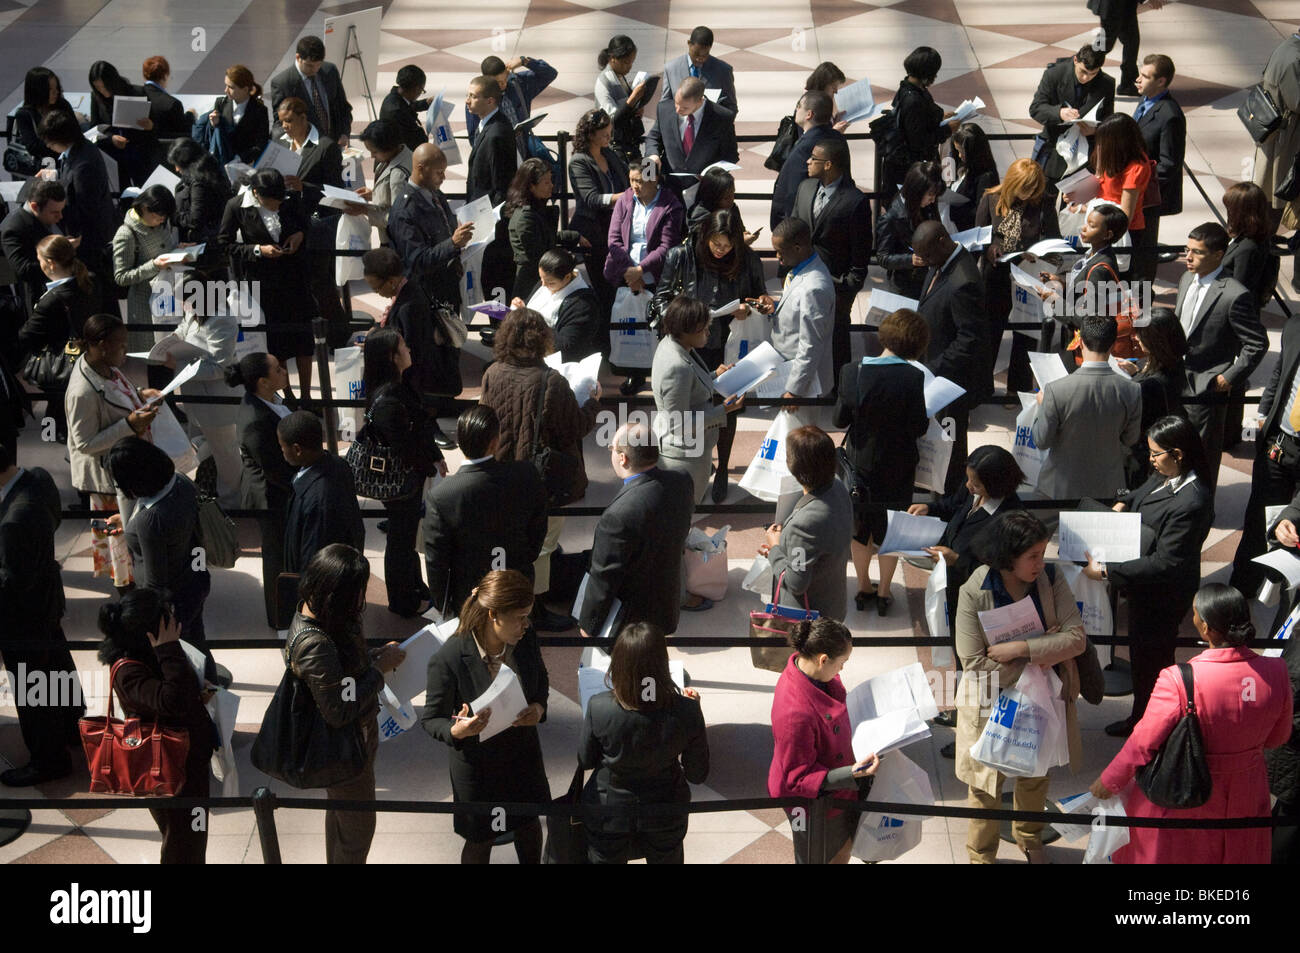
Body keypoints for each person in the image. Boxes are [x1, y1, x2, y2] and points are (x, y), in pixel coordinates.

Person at [1090, 583, 1292, 863]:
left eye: (1195, 613)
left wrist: (1110, 780)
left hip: (1189, 789)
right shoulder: (1276, 671)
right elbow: (1278, 737)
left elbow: (1142, 743)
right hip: (1248, 788)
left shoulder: (1178, 679)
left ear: (1206, 628)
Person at [954, 510, 1087, 863]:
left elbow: (1076, 640)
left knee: (1036, 774)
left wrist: (1020, 649)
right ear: (1007, 557)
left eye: (1043, 553)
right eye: (1033, 556)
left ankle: (1030, 838)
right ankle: (980, 855)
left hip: (1045, 698)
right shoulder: (975, 591)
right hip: (990, 702)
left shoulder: (1052, 579)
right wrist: (1045, 650)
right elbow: (974, 665)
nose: (1041, 563)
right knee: (985, 785)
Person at [1079, 415, 1214, 735]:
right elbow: (1139, 493)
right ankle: (1145, 718)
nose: (1151, 460)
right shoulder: (1165, 474)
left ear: (1178, 454)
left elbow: (1166, 562)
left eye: (1156, 454)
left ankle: (1151, 724)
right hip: (1145, 586)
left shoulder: (1192, 501)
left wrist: (1106, 571)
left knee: (1152, 662)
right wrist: (1122, 504)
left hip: (1161, 596)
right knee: (1143, 659)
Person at [480, 308, 601, 630]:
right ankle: (536, 608)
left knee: (517, 539)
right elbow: (573, 428)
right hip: (542, 479)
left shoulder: (492, 372)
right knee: (543, 544)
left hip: (503, 470)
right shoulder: (552, 381)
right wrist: (592, 402)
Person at [422, 569, 550, 864]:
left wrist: (539, 708)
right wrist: (458, 731)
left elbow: (540, 681)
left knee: (529, 828)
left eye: (527, 615)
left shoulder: (526, 640)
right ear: (493, 615)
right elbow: (431, 720)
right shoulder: (450, 657)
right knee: (481, 840)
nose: (526, 624)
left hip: (522, 757)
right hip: (479, 768)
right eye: (520, 617)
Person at [288, 544, 404, 862]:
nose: (361, 602)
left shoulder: (325, 617)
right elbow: (339, 709)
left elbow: (341, 673)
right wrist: (379, 669)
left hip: (351, 744)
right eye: (357, 593)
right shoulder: (314, 643)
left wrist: (372, 659)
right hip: (343, 751)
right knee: (356, 833)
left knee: (341, 822)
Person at [94, 589, 217, 860]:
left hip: (187, 760)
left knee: (192, 839)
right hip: (167, 768)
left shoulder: (153, 655)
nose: (175, 622)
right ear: (152, 631)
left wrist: (198, 688)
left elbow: (177, 693)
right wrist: (169, 650)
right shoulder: (129, 670)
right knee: (182, 843)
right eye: (168, 618)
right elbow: (171, 701)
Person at [909, 445, 1026, 728]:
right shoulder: (975, 492)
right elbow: (954, 506)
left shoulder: (1010, 518)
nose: (968, 486)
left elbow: (1003, 571)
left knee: (977, 663)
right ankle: (965, 708)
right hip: (957, 592)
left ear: (995, 484)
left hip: (984, 604)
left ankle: (973, 723)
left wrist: (956, 560)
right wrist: (931, 507)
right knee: (961, 656)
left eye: (975, 482)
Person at [654, 209, 766, 501]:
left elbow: (759, 294)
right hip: (692, 341)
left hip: (726, 343)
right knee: (700, 409)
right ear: (705, 237)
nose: (721, 250)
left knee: (730, 411)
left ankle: (724, 467)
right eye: (716, 244)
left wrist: (756, 305)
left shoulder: (748, 259)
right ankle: (698, 469)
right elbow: (660, 300)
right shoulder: (683, 255)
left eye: (727, 246)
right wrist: (689, 320)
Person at [579, 621, 709, 864]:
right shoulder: (687, 710)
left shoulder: (599, 706)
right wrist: (694, 713)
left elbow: (585, 760)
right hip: (665, 811)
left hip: (610, 810)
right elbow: (697, 773)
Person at [834, 309, 930, 617]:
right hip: (899, 466)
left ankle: (863, 587)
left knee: (860, 531)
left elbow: (839, 419)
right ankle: (886, 591)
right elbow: (919, 427)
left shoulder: (852, 371)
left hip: (860, 464)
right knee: (891, 530)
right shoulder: (914, 377)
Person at [0, 440, 84, 787]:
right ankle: (71, 728)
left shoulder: (14, 520)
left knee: (33, 687)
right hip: (48, 600)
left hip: (23, 618)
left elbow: (11, 585)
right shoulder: (38, 478)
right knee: (57, 666)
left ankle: (49, 760)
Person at [768, 617, 880, 864]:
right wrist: (852, 773)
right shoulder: (794, 713)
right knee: (815, 855)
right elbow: (797, 778)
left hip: (835, 793)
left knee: (842, 847)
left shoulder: (815, 674)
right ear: (823, 659)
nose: (842, 670)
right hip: (812, 804)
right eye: (842, 663)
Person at [65, 314, 160, 589]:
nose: (125, 350)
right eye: (121, 345)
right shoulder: (82, 391)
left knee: (131, 547)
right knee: (123, 554)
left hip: (129, 470)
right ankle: (131, 603)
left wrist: (141, 394)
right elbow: (83, 443)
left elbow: (120, 390)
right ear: (103, 345)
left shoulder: (107, 367)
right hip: (110, 481)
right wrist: (129, 425)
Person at [423, 406, 548, 616]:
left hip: (470, 599)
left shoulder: (443, 496)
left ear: (460, 442)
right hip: (517, 586)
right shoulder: (526, 475)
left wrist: (444, 607)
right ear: (494, 441)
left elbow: (437, 562)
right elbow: (537, 532)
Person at [578, 421, 695, 638]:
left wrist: (589, 624)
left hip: (629, 624)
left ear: (623, 458)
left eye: (612, 449)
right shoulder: (682, 482)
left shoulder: (617, 515)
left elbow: (604, 578)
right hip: (665, 607)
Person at [361, 328, 447, 616]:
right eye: (403, 346)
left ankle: (414, 588)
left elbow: (420, 428)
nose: (409, 349)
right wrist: (429, 465)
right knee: (401, 539)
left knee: (405, 537)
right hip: (400, 481)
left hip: (409, 477)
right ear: (391, 356)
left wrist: (434, 457)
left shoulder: (398, 386)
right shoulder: (388, 399)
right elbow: (405, 446)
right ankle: (402, 600)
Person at [1175, 222, 1267, 489]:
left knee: (1201, 454)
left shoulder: (1235, 294)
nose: (1188, 257)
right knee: (1174, 449)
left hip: (1207, 388)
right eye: (1187, 250)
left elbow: (1256, 343)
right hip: (1177, 379)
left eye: (1197, 252)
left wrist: (1228, 378)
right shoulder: (1184, 279)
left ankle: (1201, 509)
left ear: (1218, 255)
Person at [108, 437, 212, 668]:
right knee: (199, 651)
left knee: (182, 666)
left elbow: (156, 584)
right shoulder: (182, 483)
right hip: (194, 582)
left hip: (171, 605)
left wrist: (145, 621)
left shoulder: (150, 520)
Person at [217, 169, 314, 400]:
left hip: (295, 279)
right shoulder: (236, 207)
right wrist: (258, 250)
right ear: (256, 194)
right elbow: (224, 244)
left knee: (303, 340)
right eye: (271, 204)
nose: (276, 208)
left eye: (279, 203)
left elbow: (306, 223)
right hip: (263, 284)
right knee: (276, 342)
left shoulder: (289, 200)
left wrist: (299, 234)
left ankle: (308, 396)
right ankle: (286, 393)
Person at [1031, 314, 1142, 501]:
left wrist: (1041, 408)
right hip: (1108, 487)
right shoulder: (1132, 390)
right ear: (1113, 344)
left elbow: (1042, 440)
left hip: (1059, 487)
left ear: (1080, 342)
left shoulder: (1056, 390)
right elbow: (1130, 439)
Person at [651, 296, 744, 513]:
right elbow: (678, 425)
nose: (708, 334)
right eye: (704, 330)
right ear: (688, 330)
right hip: (685, 457)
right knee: (683, 516)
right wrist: (725, 410)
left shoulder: (672, 344)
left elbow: (691, 385)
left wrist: (713, 375)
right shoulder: (677, 366)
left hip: (686, 451)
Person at [1232, 300, 1300, 597]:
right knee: (1259, 522)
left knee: (1293, 527)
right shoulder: (1295, 326)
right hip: (1280, 445)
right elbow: (1279, 376)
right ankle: (1241, 591)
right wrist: (1262, 415)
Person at [914, 220, 988, 491]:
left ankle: (951, 494)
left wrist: (933, 370)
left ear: (943, 242)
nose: (925, 262)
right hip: (934, 369)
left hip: (949, 381)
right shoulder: (940, 263)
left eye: (928, 255)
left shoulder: (963, 281)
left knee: (950, 444)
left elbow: (969, 338)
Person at [361, 246, 460, 448]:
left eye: (376, 288)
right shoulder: (407, 290)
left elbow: (412, 348)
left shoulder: (409, 305)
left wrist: (380, 342)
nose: (376, 293)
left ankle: (430, 429)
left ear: (391, 281)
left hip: (415, 376)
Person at [975, 158, 1060, 392]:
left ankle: (1017, 388)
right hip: (997, 274)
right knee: (991, 331)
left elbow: (1054, 239)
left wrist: (1039, 252)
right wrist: (992, 248)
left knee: (1025, 333)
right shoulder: (991, 198)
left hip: (1027, 275)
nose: (1028, 193)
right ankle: (982, 387)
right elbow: (980, 237)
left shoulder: (1043, 203)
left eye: (1032, 189)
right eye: (1023, 188)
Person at [275, 94, 351, 350]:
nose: (284, 126)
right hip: (288, 220)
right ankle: (309, 333)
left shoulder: (325, 147)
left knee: (321, 282)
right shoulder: (280, 142)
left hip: (318, 223)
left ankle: (337, 335)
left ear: (303, 118)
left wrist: (303, 186)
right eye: (281, 121)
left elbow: (335, 189)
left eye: (288, 121)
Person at [792, 135, 871, 379]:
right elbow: (794, 226)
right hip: (802, 281)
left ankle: (839, 387)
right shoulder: (805, 188)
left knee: (836, 338)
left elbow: (861, 252)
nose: (807, 162)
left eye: (814, 159)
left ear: (828, 164)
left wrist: (848, 288)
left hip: (836, 288)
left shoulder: (855, 202)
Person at [757, 425, 853, 622]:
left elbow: (796, 583)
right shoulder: (838, 486)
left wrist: (775, 547)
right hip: (833, 604)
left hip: (806, 621)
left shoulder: (804, 525)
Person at [604, 160, 685, 393]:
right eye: (631, 180)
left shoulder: (670, 205)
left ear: (655, 179)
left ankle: (660, 374)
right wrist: (631, 272)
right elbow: (614, 241)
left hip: (654, 274)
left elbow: (666, 246)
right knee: (629, 323)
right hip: (624, 271)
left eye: (640, 181)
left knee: (657, 326)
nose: (634, 186)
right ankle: (633, 373)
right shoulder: (626, 200)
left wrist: (641, 270)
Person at [227, 352, 295, 628]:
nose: (284, 371)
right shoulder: (256, 420)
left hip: (281, 491)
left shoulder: (273, 399)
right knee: (275, 558)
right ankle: (278, 616)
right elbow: (274, 469)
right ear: (264, 382)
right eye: (279, 369)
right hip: (270, 497)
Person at [173, 270, 243, 508]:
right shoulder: (194, 314)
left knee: (226, 454)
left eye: (186, 299)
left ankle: (233, 501)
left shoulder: (221, 319)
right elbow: (180, 335)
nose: (183, 305)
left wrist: (179, 366)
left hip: (217, 403)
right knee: (205, 446)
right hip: (196, 400)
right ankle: (211, 488)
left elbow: (219, 367)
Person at [19, 234, 100, 440]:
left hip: (59, 368)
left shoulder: (53, 299)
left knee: (56, 414)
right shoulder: (87, 283)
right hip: (86, 362)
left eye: (39, 260)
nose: (39, 265)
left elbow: (27, 335)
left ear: (50, 263)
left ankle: (52, 438)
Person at [388, 143, 474, 315]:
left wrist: (456, 255)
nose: (443, 177)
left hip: (447, 288)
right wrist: (453, 244)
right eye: (439, 172)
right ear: (421, 168)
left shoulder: (434, 193)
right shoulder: (405, 210)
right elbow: (417, 261)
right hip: (426, 298)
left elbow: (446, 228)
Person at [278, 410, 365, 580]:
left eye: (282, 447)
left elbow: (313, 560)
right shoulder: (338, 465)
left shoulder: (317, 500)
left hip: (318, 591)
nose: (281, 451)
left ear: (297, 449)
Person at [1036, 202, 1127, 356]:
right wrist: (1062, 283)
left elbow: (1086, 318)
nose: (1083, 228)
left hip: (1082, 347)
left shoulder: (1100, 269)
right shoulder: (1094, 254)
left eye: (1092, 226)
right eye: (1086, 223)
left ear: (1108, 235)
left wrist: (1054, 301)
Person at [38, 110, 117, 289]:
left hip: (89, 244)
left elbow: (86, 209)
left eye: (49, 141)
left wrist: (77, 237)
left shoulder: (84, 166)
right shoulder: (79, 151)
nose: (48, 146)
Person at [768, 217, 836, 423]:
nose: (777, 257)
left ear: (797, 248)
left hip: (804, 387)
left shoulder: (814, 287)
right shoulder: (801, 270)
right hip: (787, 373)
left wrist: (794, 390)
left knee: (800, 446)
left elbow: (811, 344)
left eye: (780, 251)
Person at [569, 107, 630, 318]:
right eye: (604, 134)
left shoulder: (608, 153)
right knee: (603, 286)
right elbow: (591, 198)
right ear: (590, 135)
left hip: (615, 227)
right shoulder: (579, 161)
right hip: (594, 232)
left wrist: (649, 166)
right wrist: (622, 197)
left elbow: (629, 172)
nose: (608, 137)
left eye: (610, 133)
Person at [1117, 306, 1187, 486]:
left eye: (1141, 334)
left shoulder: (1151, 386)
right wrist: (1136, 371)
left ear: (1156, 341)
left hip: (1142, 461)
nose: (1136, 337)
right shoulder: (1175, 363)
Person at [1130, 53, 1185, 282]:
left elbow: (1169, 164)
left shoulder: (1170, 115)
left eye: (1145, 76)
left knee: (1144, 248)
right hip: (1136, 188)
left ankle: (1141, 296)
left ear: (1161, 81)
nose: (1138, 80)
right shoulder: (1146, 100)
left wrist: (1140, 187)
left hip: (1149, 196)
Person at [880, 46, 959, 201]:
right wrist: (947, 130)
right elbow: (918, 141)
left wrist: (940, 118)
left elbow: (921, 119)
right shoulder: (913, 100)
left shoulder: (911, 87)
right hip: (910, 174)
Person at [1028, 46, 1115, 187]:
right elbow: (1036, 108)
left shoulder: (1106, 83)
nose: (1086, 78)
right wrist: (1059, 113)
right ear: (1075, 60)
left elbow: (1109, 120)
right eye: (1083, 72)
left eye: (1093, 74)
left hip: (1084, 153)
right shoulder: (1054, 75)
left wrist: (1095, 130)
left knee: (1075, 203)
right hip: (1055, 148)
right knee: (1043, 197)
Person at [503, 157, 585, 301]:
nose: (551, 185)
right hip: (532, 285)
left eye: (551, 180)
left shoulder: (535, 210)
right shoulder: (526, 217)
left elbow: (546, 236)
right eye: (546, 182)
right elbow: (539, 253)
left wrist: (574, 236)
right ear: (531, 186)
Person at [644, 78, 739, 200]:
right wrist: (653, 155)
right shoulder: (664, 109)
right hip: (669, 187)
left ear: (700, 101)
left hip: (704, 191)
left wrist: (713, 174)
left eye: (684, 108)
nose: (678, 110)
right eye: (676, 103)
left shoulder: (722, 117)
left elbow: (731, 155)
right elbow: (652, 138)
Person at [111, 184, 178, 353]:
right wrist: (153, 265)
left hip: (170, 298)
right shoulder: (126, 234)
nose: (162, 220)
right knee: (154, 356)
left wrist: (179, 250)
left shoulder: (160, 223)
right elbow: (121, 277)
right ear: (143, 208)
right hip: (145, 307)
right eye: (158, 216)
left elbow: (164, 249)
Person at [770, 90, 847, 231]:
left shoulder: (806, 147)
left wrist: (787, 228)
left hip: (801, 227)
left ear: (809, 114)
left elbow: (793, 191)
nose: (796, 109)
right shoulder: (838, 137)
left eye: (798, 106)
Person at [513, 247, 602, 362]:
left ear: (567, 277)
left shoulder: (583, 305)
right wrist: (521, 305)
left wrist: (530, 320)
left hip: (552, 361)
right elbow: (532, 304)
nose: (543, 284)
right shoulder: (547, 282)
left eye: (550, 282)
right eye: (541, 278)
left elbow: (567, 346)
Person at [876, 160, 944, 299]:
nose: (932, 200)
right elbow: (883, 257)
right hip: (905, 285)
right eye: (930, 196)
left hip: (929, 278)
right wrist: (910, 259)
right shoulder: (892, 218)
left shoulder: (928, 206)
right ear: (917, 192)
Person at [2, 179, 68, 320]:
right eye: (54, 212)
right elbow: (24, 270)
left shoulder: (49, 217)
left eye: (61, 210)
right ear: (35, 206)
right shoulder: (14, 228)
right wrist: (62, 253)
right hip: (41, 302)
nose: (60, 216)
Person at [269, 36, 354, 145]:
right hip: (307, 149)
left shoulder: (330, 71)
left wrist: (344, 133)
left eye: (318, 65)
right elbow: (280, 123)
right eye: (309, 66)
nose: (314, 70)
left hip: (334, 145)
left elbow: (343, 107)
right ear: (298, 57)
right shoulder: (283, 83)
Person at [1090, 113, 1153, 253]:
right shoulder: (1112, 157)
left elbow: (1125, 216)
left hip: (1121, 233)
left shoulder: (1136, 167)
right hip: (1102, 224)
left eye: (1104, 141)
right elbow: (1100, 183)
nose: (1100, 145)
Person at [194, 64, 270, 166]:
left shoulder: (259, 111)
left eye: (231, 87)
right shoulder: (220, 103)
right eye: (226, 85)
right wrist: (213, 125)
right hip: (221, 162)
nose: (226, 90)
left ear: (245, 89)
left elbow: (261, 143)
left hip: (244, 165)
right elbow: (213, 136)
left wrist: (240, 158)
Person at [167, 138, 232, 258]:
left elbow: (195, 220)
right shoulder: (209, 170)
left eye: (178, 164)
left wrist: (173, 215)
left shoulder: (199, 182)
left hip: (202, 244)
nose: (176, 169)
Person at [1088, 0, 1168, 96]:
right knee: (1105, 44)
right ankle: (1082, 70)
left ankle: (1128, 84)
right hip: (1113, 5)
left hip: (1123, 5)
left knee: (1131, 41)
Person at [593, 35, 651, 166]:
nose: (629, 67)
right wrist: (633, 99)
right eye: (626, 62)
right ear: (613, 58)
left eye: (632, 62)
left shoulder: (619, 77)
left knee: (644, 177)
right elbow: (611, 119)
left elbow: (625, 110)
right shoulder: (604, 80)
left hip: (629, 144)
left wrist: (636, 108)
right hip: (615, 148)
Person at [355, 119, 412, 247]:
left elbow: (399, 218)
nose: (372, 156)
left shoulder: (398, 175)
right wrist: (373, 195)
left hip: (395, 243)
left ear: (389, 147)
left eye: (374, 152)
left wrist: (365, 210)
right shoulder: (403, 155)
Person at [464, 75, 517, 206]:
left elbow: (501, 185)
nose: (467, 101)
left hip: (487, 211)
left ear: (490, 101)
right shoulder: (487, 124)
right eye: (468, 95)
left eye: (474, 96)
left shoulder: (497, 134)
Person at [661, 26, 737, 114]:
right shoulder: (671, 68)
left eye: (705, 55)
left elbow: (731, 107)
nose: (699, 59)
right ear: (689, 44)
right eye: (696, 54)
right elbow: (664, 104)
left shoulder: (723, 71)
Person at [10, 67, 76, 166]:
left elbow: (75, 130)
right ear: (38, 91)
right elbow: (33, 147)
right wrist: (61, 143)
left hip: (70, 161)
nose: (56, 92)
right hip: (46, 165)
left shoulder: (62, 104)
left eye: (56, 88)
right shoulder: (24, 115)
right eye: (50, 89)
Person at [946, 124, 999, 233]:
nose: (959, 156)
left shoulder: (986, 178)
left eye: (962, 151)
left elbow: (980, 213)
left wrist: (952, 209)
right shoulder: (964, 165)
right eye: (957, 151)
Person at [380, 64, 429, 152]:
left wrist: (426, 103)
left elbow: (407, 105)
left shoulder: (394, 98)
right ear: (417, 89)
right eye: (422, 90)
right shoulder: (398, 113)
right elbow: (418, 141)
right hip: (399, 158)